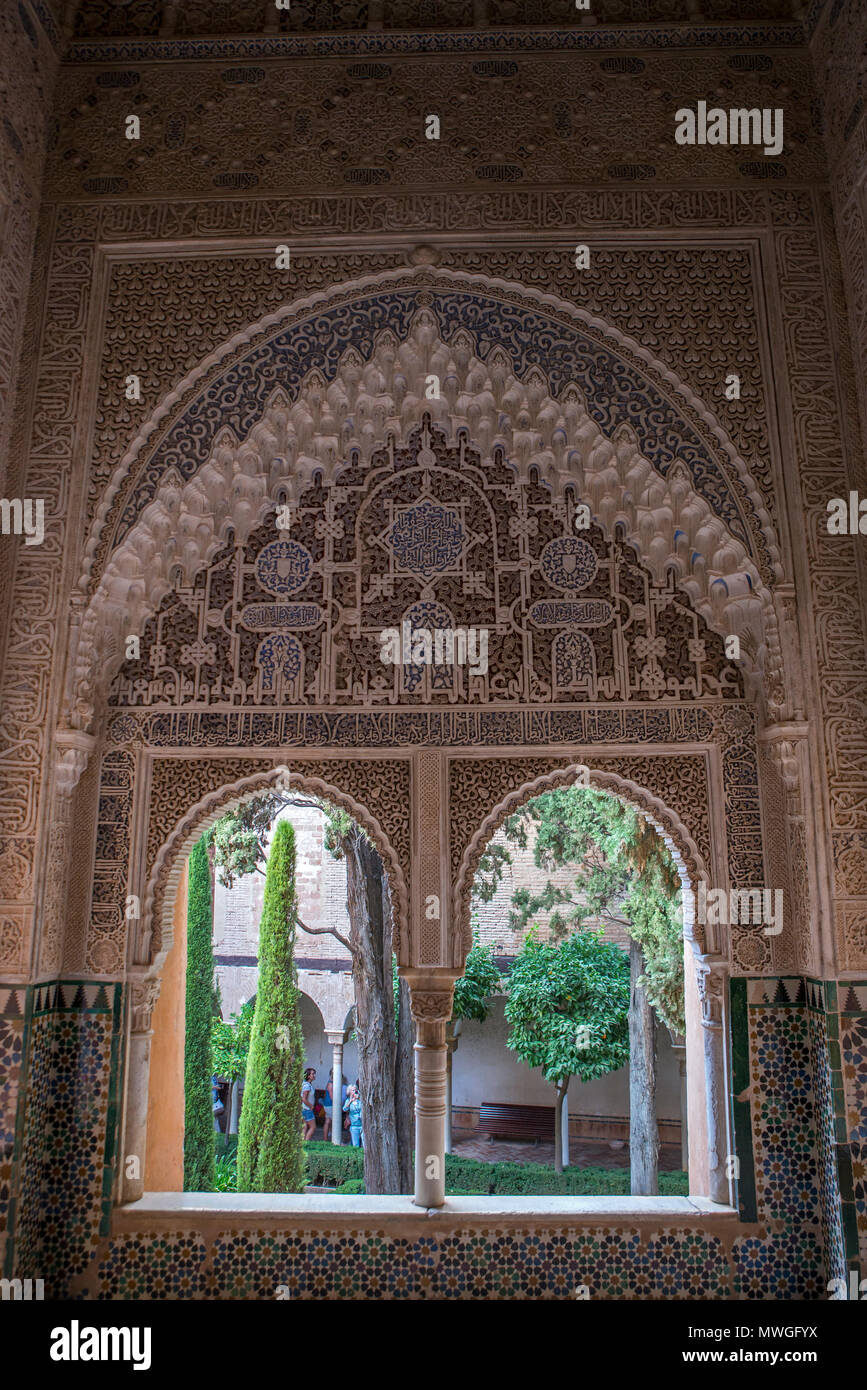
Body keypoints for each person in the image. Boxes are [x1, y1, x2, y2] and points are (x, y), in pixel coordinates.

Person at [343, 1083, 363, 1148]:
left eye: (356, 1090)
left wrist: (359, 1098)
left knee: (365, 1144)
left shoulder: (360, 1101)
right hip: (354, 1125)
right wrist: (350, 1101)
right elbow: (345, 1109)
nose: (355, 1092)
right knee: (355, 1145)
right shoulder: (348, 1101)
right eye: (353, 1090)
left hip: (362, 1125)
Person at [301, 1067, 317, 1141]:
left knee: (304, 1127)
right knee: (313, 1127)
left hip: (304, 1108)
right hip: (307, 1109)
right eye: (312, 1074)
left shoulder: (305, 1084)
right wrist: (311, 1106)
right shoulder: (307, 1086)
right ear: (308, 1076)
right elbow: (304, 1099)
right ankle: (306, 1142)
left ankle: (302, 1143)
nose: (314, 1076)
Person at [323, 1070, 334, 1142]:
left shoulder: (330, 1082)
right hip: (330, 1104)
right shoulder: (331, 1084)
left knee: (328, 1121)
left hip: (327, 1104)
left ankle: (325, 1139)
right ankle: (335, 1140)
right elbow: (331, 1096)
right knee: (335, 1121)